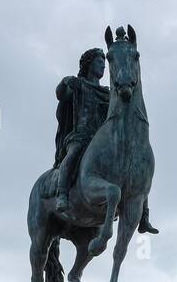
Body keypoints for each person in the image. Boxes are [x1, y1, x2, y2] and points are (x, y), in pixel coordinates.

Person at [52, 45, 156, 233]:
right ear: (89, 64)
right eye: (99, 62)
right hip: (82, 136)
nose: (102, 66)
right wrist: (64, 82)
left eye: (103, 63)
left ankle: (144, 215)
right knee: (74, 153)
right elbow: (61, 94)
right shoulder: (79, 85)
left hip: (104, 140)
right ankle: (62, 194)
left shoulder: (109, 93)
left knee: (136, 167)